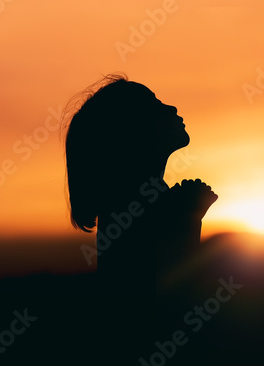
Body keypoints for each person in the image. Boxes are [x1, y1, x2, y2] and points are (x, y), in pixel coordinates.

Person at [64, 75, 218, 298]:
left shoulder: (138, 200)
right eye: (154, 106)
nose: (171, 107)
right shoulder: (132, 208)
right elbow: (174, 301)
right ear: (132, 132)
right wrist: (189, 218)